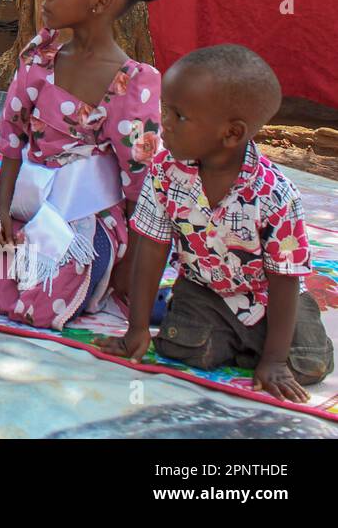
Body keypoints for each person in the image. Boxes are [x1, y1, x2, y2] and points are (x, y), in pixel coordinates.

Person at [102, 45, 334, 402]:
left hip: (270, 298)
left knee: (310, 364)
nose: (163, 121)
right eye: (165, 108)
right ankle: (232, 339)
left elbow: (285, 279)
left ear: (232, 134)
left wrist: (273, 361)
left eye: (178, 116)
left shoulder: (274, 195)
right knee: (178, 347)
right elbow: (151, 247)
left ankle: (257, 348)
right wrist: (137, 328)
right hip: (204, 292)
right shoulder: (164, 172)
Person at [0, 0, 167, 329]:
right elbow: (10, 140)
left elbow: (139, 183)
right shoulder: (39, 59)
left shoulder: (132, 82)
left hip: (84, 214)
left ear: (102, 1)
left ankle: (109, 280)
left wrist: (131, 267)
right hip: (25, 200)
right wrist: (2, 211)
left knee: (42, 303)